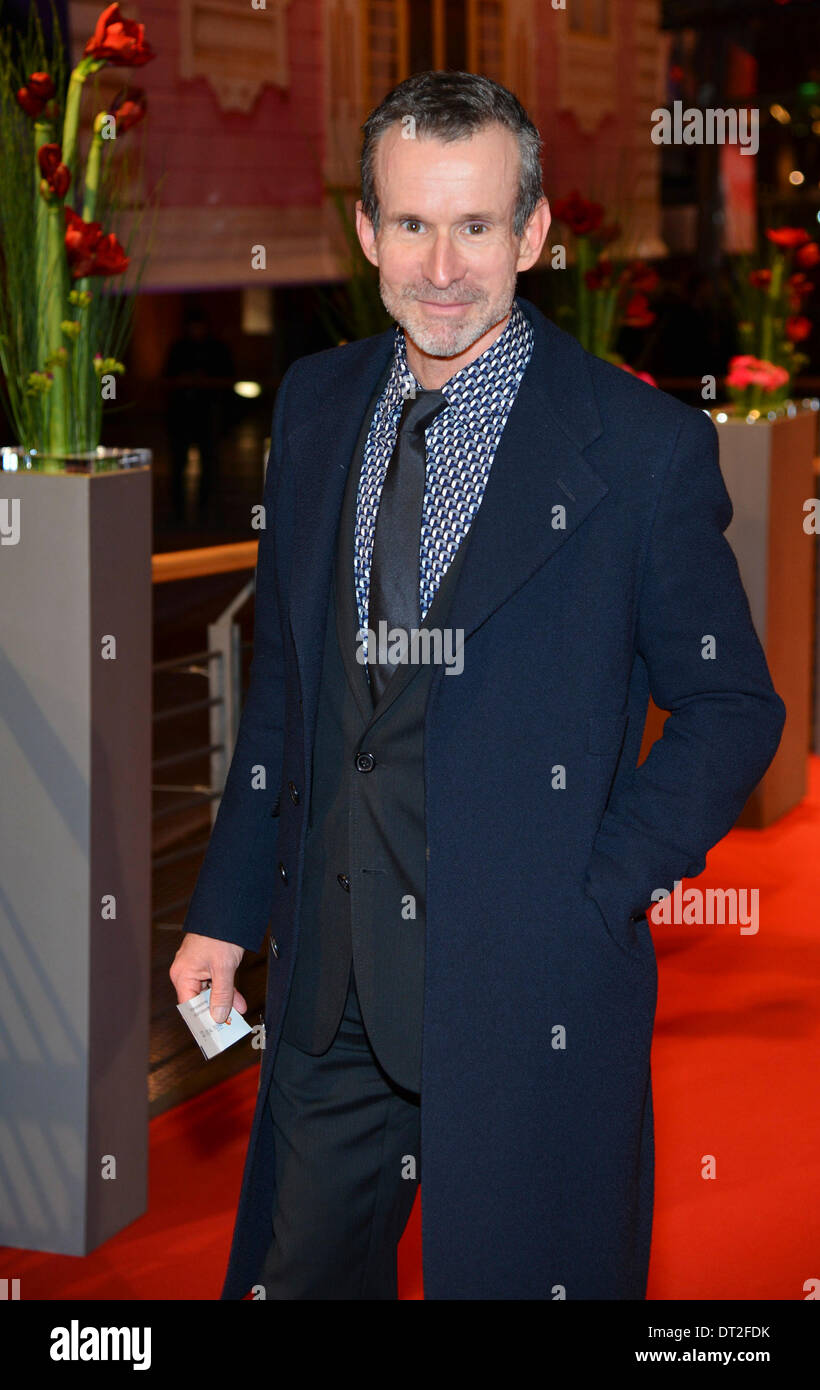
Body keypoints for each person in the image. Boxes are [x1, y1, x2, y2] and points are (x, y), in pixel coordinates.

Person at [170, 71, 785, 1300]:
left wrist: (594, 888)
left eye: (475, 226)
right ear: (364, 232)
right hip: (329, 990)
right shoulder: (316, 403)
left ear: (535, 234)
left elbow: (732, 707)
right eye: (410, 224)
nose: (440, 266)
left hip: (525, 991)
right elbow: (288, 693)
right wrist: (228, 908)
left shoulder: (642, 448)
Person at [163, 305, 234, 525]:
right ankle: (178, 511)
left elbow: (227, 378)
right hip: (182, 416)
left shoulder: (216, 349)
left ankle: (206, 508)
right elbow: (167, 377)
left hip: (207, 415)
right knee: (178, 464)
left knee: (209, 462)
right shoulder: (179, 349)